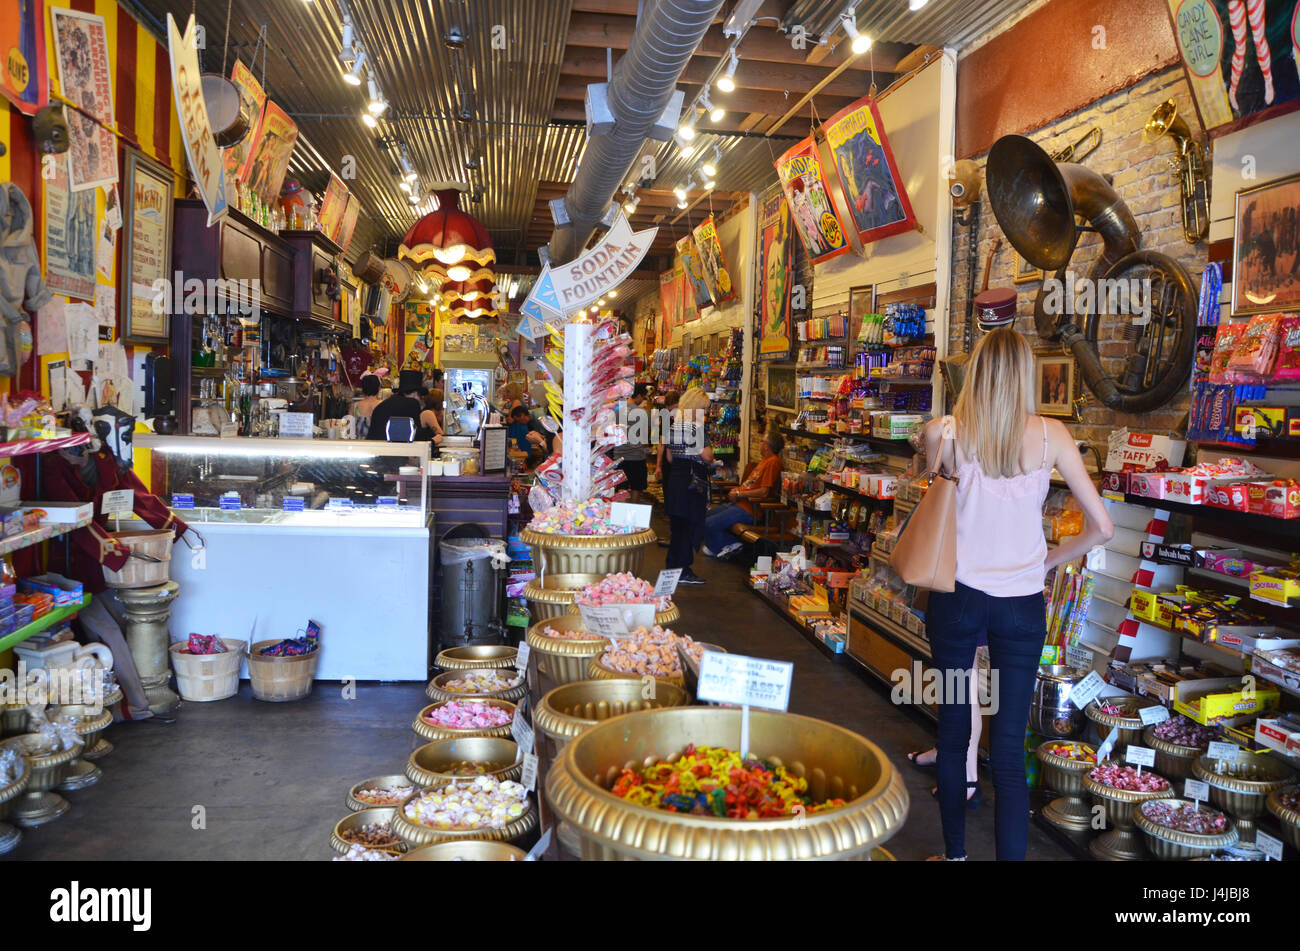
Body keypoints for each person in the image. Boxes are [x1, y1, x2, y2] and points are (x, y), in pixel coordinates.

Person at [919, 328, 1113, 861]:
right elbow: (1102, 527)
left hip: (956, 597)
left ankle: (955, 856)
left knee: (955, 734)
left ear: (976, 372)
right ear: (1027, 375)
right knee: (1007, 748)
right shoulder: (1053, 435)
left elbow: (930, 495)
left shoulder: (946, 432)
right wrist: (1047, 559)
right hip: (1022, 605)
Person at [40, 412, 197, 722]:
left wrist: (175, 527)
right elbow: (74, 521)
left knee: (123, 624)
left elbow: (134, 493)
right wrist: (114, 553)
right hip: (66, 563)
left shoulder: (106, 457)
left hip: (100, 561)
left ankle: (138, 697)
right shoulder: (51, 465)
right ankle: (132, 705)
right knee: (108, 631)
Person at [701, 431, 784, 559]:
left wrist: (739, 493)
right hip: (739, 503)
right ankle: (721, 545)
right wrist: (736, 491)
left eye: (762, 441)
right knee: (705, 516)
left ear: (767, 446)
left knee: (709, 523)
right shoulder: (764, 461)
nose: (760, 443)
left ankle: (729, 544)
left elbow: (764, 491)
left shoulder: (773, 462)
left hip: (751, 509)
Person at [662, 387, 714, 585]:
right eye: (705, 409)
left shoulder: (674, 426)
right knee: (689, 524)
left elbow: (669, 457)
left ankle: (673, 566)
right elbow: (707, 456)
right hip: (692, 482)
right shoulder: (696, 429)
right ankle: (683, 570)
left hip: (676, 478)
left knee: (677, 527)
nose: (707, 413)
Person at [611, 383, 650, 504]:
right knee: (636, 487)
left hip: (619, 455)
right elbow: (646, 435)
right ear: (638, 395)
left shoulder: (617, 410)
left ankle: (619, 514)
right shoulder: (642, 412)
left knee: (620, 486)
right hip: (636, 456)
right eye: (643, 397)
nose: (643, 400)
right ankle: (633, 512)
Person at [366, 369, 423, 441]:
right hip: (399, 449)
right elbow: (418, 436)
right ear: (415, 394)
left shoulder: (383, 405)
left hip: (376, 447)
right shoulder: (412, 404)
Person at [354, 374, 382, 438]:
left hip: (358, 446)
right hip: (378, 445)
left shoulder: (354, 406)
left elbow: (348, 431)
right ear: (378, 388)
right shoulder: (383, 405)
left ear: (363, 389)